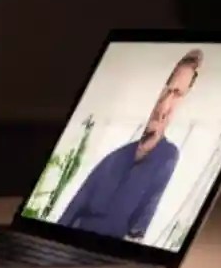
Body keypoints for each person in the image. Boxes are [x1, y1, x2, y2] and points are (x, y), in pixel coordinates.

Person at [56, 49, 204, 241]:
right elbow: (74, 208)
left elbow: (147, 212)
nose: (164, 106)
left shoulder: (167, 156)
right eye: (165, 89)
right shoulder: (115, 156)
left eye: (177, 94)